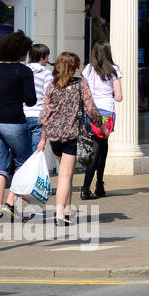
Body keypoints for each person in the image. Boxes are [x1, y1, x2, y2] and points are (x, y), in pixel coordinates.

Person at [37, 52, 104, 227]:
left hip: (54, 135)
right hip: (73, 134)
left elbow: (45, 114)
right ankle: (59, 213)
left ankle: (67, 211)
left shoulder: (52, 86)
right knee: (65, 175)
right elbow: (91, 108)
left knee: (67, 174)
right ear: (74, 67)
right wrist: (101, 125)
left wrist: (43, 138)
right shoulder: (80, 84)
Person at [0, 32, 37, 222]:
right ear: (21, 53)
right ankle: (10, 203)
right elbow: (30, 101)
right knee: (23, 163)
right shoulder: (23, 71)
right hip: (13, 121)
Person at [81, 41, 122, 201]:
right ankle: (89, 186)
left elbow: (83, 91)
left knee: (99, 147)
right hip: (106, 111)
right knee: (100, 150)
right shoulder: (114, 70)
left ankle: (98, 185)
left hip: (90, 110)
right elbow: (119, 97)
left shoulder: (88, 69)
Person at [25, 42, 52, 152]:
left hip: (23, 114)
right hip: (38, 116)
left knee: (23, 154)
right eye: (46, 57)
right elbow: (48, 97)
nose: (47, 60)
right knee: (36, 153)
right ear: (42, 58)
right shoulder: (46, 74)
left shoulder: (23, 71)